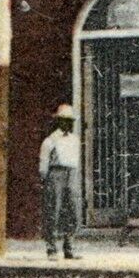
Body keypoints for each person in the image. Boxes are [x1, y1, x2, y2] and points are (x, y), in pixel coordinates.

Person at [38, 102, 81, 260]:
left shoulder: (75, 140)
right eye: (64, 120)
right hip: (55, 174)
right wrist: (47, 180)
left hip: (72, 174)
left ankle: (69, 247)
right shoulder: (50, 141)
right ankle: (51, 249)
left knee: (73, 211)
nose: (68, 123)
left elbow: (75, 161)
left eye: (70, 120)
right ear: (58, 121)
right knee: (53, 211)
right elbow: (43, 166)